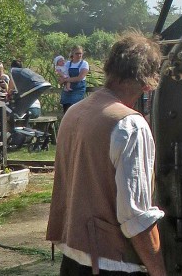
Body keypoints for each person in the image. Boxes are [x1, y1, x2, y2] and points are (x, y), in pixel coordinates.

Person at [46, 32, 165, 275]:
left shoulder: (74, 112)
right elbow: (136, 219)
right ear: (148, 82)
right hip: (111, 265)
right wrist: (160, 271)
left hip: (71, 260)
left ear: (109, 68)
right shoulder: (131, 125)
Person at [58, 46, 89, 112]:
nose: (79, 55)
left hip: (78, 89)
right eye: (77, 53)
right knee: (66, 108)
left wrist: (65, 80)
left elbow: (79, 78)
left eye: (80, 53)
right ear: (72, 54)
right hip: (67, 89)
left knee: (74, 109)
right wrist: (61, 79)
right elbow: (62, 74)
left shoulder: (84, 64)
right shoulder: (67, 64)